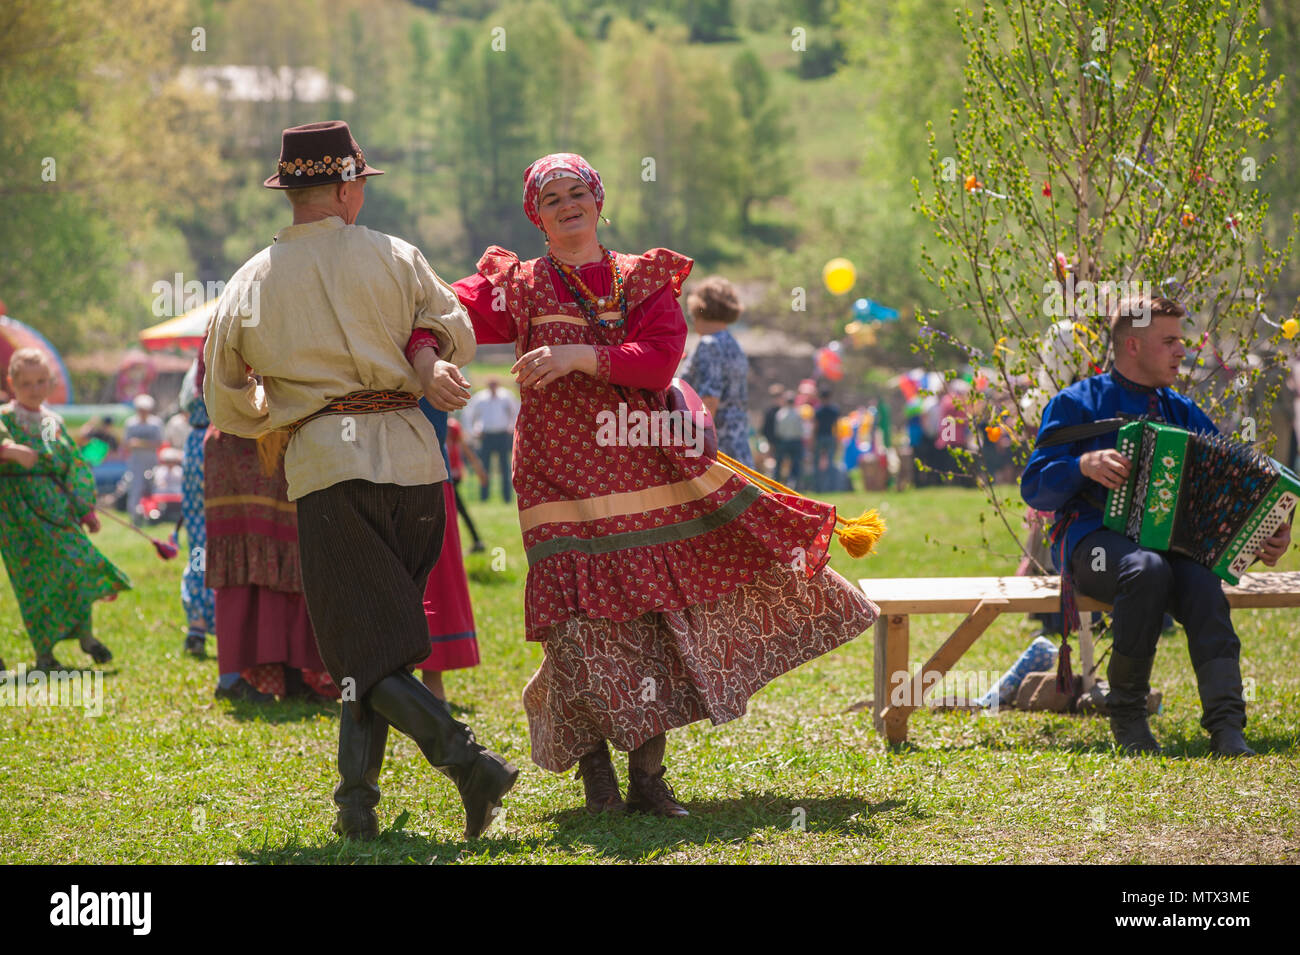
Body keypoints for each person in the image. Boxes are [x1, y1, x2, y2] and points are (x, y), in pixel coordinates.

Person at [409, 152, 879, 816]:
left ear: (599, 201)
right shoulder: (516, 286)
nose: (568, 203)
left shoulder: (641, 278)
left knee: (648, 623)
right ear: (535, 216)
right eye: (552, 198)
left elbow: (658, 362)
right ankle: (595, 772)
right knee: (575, 628)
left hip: (641, 471)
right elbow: (428, 311)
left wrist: (580, 355)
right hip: (554, 480)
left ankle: (647, 778)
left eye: (579, 191)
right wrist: (428, 361)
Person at [204, 120, 517, 841]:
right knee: (374, 646)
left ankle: (471, 762)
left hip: (328, 469)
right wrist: (424, 358)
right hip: (414, 466)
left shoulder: (250, 282)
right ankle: (356, 804)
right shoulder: (398, 255)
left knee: (361, 648)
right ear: (346, 187)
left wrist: (276, 409)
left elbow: (223, 399)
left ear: (290, 190)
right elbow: (459, 331)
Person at [1021, 296, 1291, 757]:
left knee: (1204, 584)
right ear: (1132, 345)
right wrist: (1082, 465)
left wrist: (1267, 529)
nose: (1180, 352)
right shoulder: (1075, 403)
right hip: (1093, 545)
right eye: (1169, 341)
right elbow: (1035, 489)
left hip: (1170, 550)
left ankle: (1228, 727)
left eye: (1180, 342)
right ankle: (1127, 716)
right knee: (1145, 570)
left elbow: (1234, 483)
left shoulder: (1181, 410)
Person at [0, 348, 129, 670]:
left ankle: (86, 637)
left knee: (77, 566)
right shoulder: (5, 417)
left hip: (57, 511)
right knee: (34, 580)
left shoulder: (53, 421)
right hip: (18, 515)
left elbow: (74, 466)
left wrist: (85, 508)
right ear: (11, 382)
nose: (34, 389)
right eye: (26, 383)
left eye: (41, 381)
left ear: (51, 382)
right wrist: (10, 451)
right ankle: (45, 655)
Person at [416, 403, 482, 701]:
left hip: (427, 473)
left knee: (433, 576)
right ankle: (387, 681)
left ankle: (431, 680)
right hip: (371, 469)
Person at [680, 276, 753, 466]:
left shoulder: (709, 344)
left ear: (699, 308)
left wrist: (692, 444)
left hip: (717, 449)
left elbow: (709, 401)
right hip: (737, 443)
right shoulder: (732, 344)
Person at [177, 360, 215, 658]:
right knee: (223, 539)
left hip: (194, 448)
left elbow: (184, 406)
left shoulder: (196, 366)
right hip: (220, 445)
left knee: (200, 541)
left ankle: (197, 623)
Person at [462, 378, 519, 504]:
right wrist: (473, 430)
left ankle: (507, 497)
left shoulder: (506, 397)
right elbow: (469, 414)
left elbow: (515, 412)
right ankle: (484, 496)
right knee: (484, 467)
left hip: (502, 435)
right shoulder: (480, 398)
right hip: (486, 435)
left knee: (505, 467)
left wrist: (512, 427)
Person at [446, 415, 486, 551]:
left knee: (457, 508)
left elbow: (466, 450)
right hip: (447, 474)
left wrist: (478, 470)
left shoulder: (452, 427)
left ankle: (476, 541)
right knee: (456, 509)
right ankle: (476, 540)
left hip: (452, 475)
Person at [124, 393, 163, 526]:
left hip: (151, 460)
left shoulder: (156, 423)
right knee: (135, 487)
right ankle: (135, 516)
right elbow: (127, 444)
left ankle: (154, 514)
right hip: (136, 461)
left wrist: (140, 443)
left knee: (153, 487)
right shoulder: (131, 424)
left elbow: (159, 443)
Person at [772, 390, 806, 488]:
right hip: (796, 441)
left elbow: (778, 430)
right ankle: (795, 485)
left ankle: (775, 484)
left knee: (779, 464)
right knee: (796, 464)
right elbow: (801, 430)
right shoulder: (798, 413)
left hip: (783, 441)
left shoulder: (780, 413)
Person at [812, 385, 841, 491]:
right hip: (830, 437)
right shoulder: (834, 410)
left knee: (816, 463)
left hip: (819, 437)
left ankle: (818, 487)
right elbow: (836, 426)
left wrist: (812, 440)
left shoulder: (818, 410)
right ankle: (831, 486)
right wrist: (837, 438)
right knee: (831, 463)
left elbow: (815, 426)